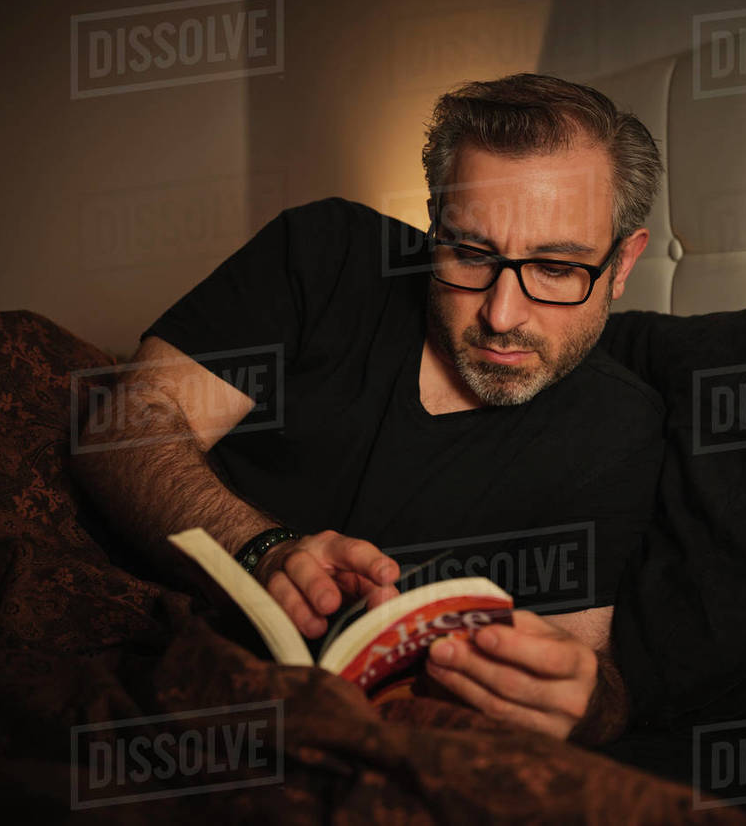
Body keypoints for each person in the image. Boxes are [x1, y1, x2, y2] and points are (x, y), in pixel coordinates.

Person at [72, 73, 665, 744]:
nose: (502, 315)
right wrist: (260, 551)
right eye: (468, 253)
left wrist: (580, 704)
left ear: (622, 264)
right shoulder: (326, 253)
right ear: (434, 222)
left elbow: (584, 660)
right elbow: (121, 432)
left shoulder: (617, 428)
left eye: (557, 269)